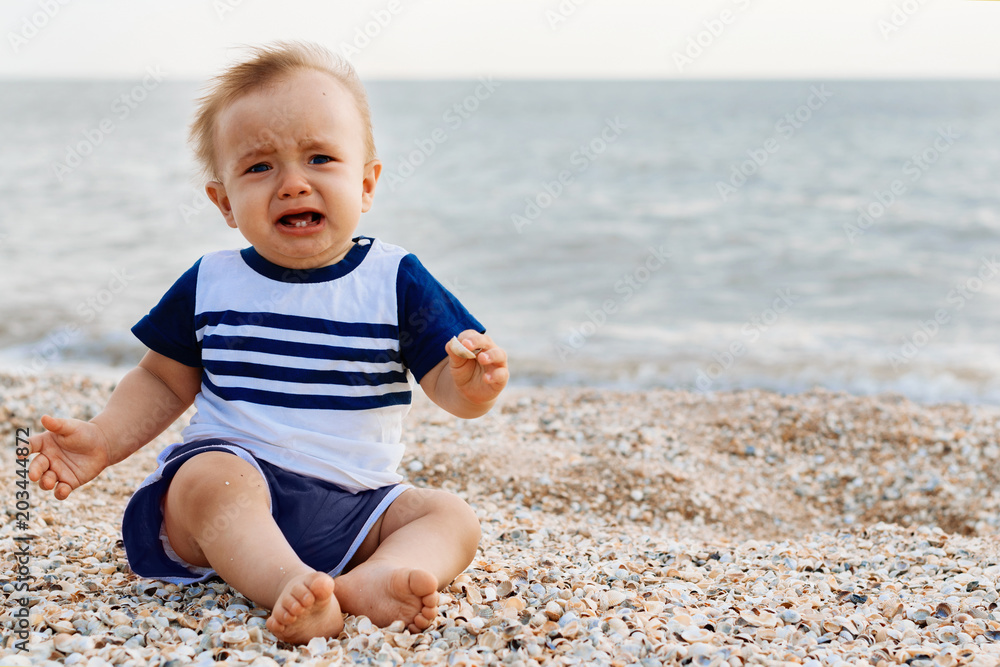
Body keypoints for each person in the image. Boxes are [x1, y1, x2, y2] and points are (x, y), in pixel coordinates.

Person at [27, 41, 508, 644]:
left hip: (357, 505)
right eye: (260, 167)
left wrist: (471, 387)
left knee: (450, 517)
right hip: (232, 490)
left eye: (320, 158)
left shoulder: (395, 280)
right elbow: (161, 379)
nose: (292, 184)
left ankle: (374, 578)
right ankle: (287, 583)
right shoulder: (213, 282)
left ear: (365, 184)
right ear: (225, 202)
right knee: (208, 477)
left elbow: (448, 385)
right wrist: (102, 439)